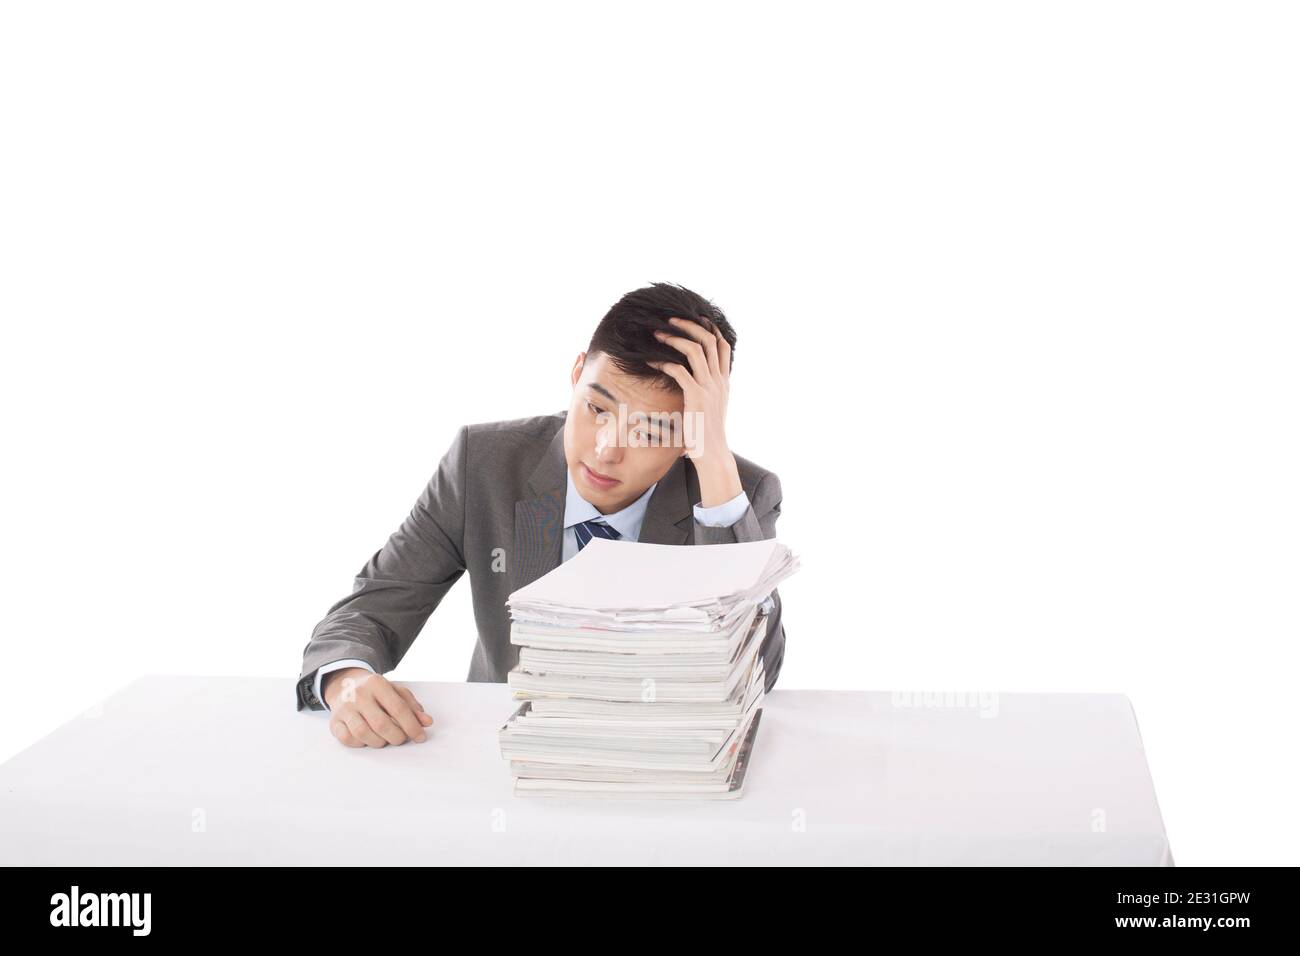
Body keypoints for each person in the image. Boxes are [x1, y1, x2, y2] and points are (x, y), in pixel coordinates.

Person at [296, 281, 787, 748]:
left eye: (651, 432)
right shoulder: (483, 464)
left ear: (689, 436)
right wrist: (346, 679)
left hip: (656, 759)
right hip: (504, 752)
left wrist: (716, 465)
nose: (606, 451)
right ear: (576, 375)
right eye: (596, 409)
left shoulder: (736, 495)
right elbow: (372, 607)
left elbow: (754, 671)